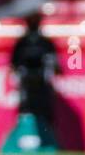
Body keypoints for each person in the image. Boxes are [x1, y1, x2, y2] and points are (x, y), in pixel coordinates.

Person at [11, 11, 59, 144]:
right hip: (26, 83)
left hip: (42, 83)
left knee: (45, 110)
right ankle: (24, 139)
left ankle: (48, 140)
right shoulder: (22, 42)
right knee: (25, 110)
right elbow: (13, 63)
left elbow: (55, 63)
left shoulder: (45, 42)